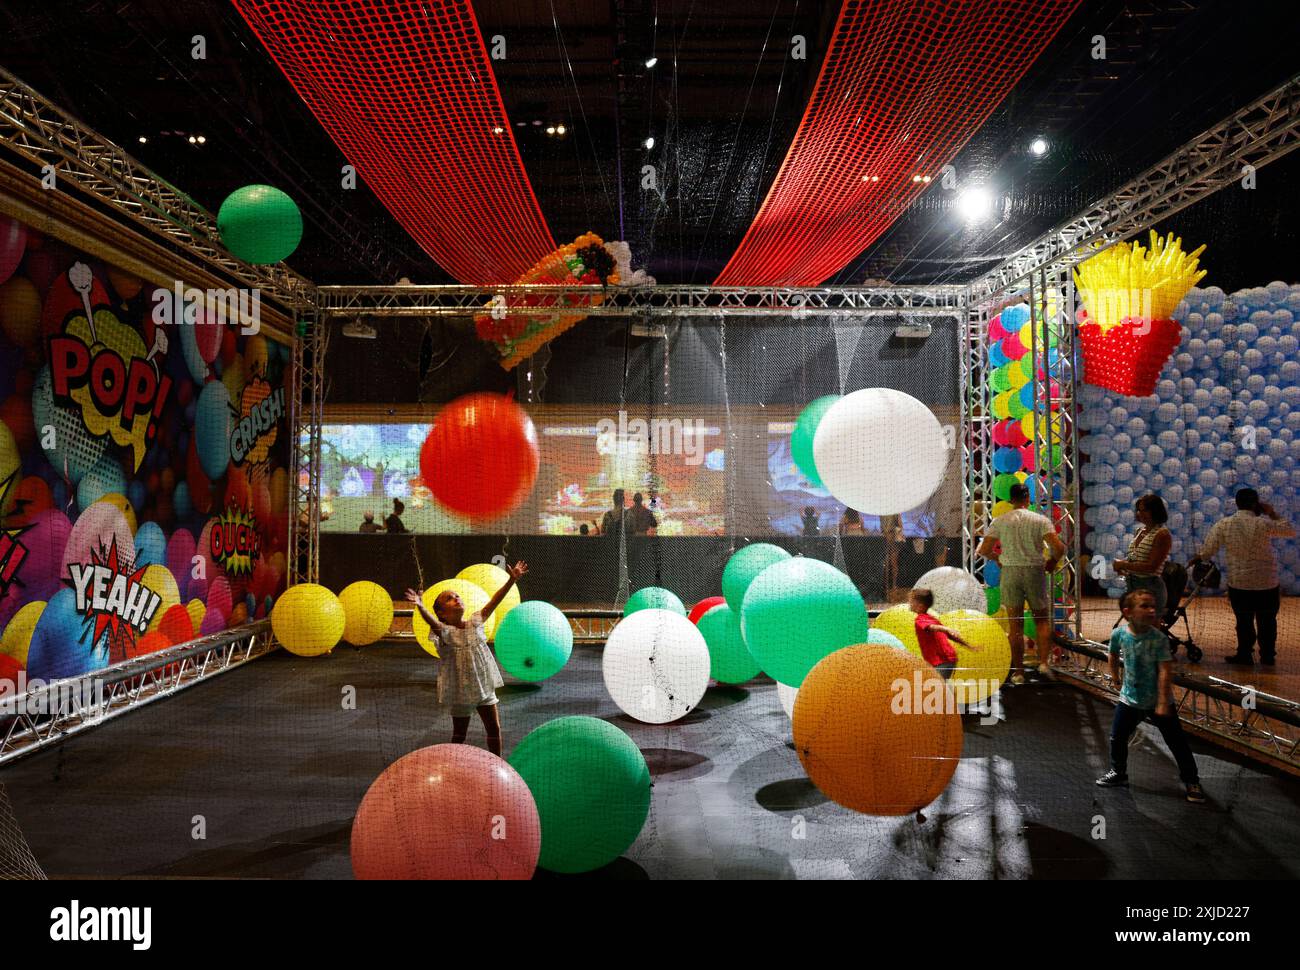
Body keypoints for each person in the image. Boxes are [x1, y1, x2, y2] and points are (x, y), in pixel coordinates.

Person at [404, 560, 527, 756]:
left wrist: (511, 580)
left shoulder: (475, 623)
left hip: (483, 686)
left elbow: (494, 602)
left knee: (494, 729)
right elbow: (433, 624)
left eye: (457, 596)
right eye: (450, 599)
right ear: (441, 613)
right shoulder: (445, 632)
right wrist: (420, 607)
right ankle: (455, 764)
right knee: (460, 734)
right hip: (460, 692)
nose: (456, 599)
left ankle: (498, 762)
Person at [1096, 589, 1206, 803]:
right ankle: (1119, 773)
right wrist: (1116, 679)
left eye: (1153, 606)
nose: (1151, 610)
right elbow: (1112, 653)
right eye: (1144, 606)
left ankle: (1192, 780)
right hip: (1129, 699)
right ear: (1128, 612)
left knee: (1176, 742)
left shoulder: (1158, 639)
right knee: (1117, 737)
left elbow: (1165, 670)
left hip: (1158, 700)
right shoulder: (1119, 634)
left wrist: (1163, 701)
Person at [1190, 487, 1295, 665]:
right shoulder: (1263, 523)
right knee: (1268, 621)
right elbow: (1289, 531)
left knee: (1244, 620)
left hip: (1239, 583)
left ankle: (1245, 654)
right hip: (1267, 582)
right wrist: (1272, 512)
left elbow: (1208, 551)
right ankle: (1268, 656)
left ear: (1237, 503)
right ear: (1256, 503)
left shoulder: (1225, 524)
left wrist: (1197, 558)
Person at [976, 483, 1067, 684]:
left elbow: (983, 550)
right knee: (1042, 620)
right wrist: (1052, 562)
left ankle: (1018, 673)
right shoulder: (1040, 520)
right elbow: (1059, 547)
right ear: (1028, 499)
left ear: (1010, 500)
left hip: (1010, 572)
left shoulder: (1000, 521)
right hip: (1035, 571)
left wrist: (998, 558)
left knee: (1015, 626)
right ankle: (1043, 663)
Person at [1114, 494, 1173, 619]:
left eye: (1145, 510)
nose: (1141, 513)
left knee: (1151, 629)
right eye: (1139, 510)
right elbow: (1135, 560)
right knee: (1135, 626)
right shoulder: (1139, 531)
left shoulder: (1162, 534)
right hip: (1133, 585)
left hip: (1150, 588)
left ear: (1156, 511)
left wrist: (1123, 564)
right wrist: (1122, 566)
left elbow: (1151, 567)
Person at [909, 588, 977, 680]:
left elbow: (932, 627)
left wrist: (946, 628)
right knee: (939, 687)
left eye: (912, 602)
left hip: (940, 661)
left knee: (935, 688)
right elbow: (949, 635)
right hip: (948, 659)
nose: (910, 604)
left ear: (920, 606)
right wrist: (967, 645)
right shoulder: (932, 618)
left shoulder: (920, 619)